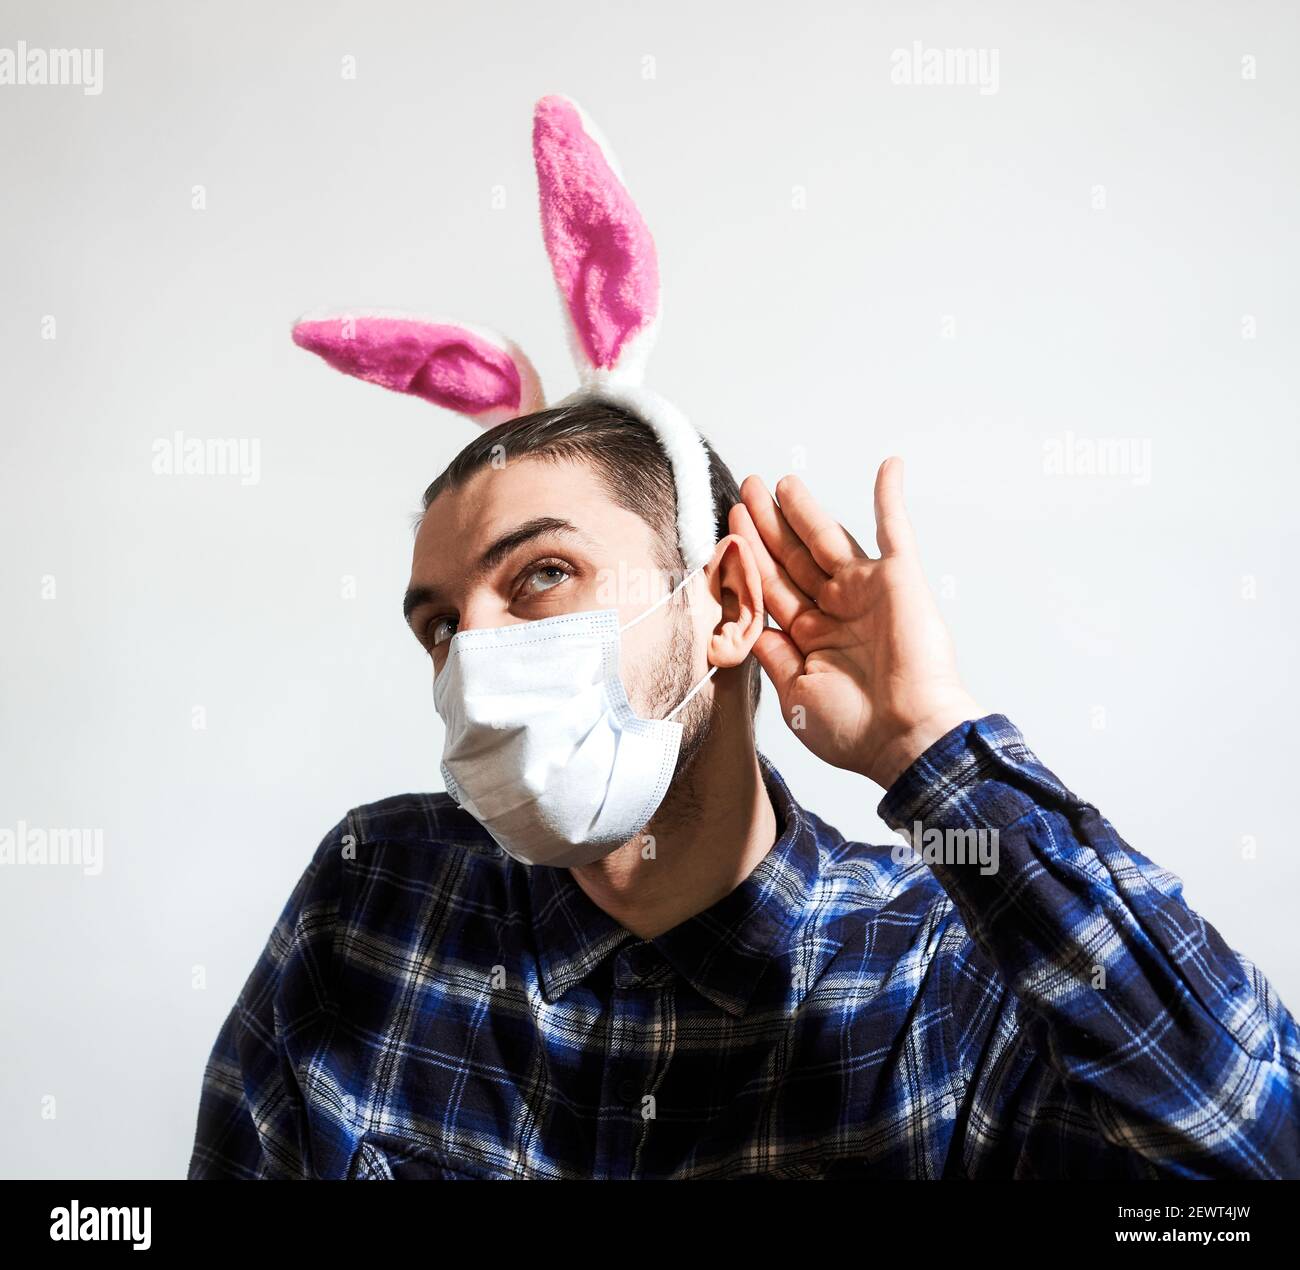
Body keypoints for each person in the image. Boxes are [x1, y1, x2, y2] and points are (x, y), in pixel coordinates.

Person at [187, 396, 1300, 1180]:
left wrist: (931, 748)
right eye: (438, 624)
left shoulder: (934, 974)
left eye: (539, 575)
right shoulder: (375, 892)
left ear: (721, 605)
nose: (471, 656)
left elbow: (1257, 1144)